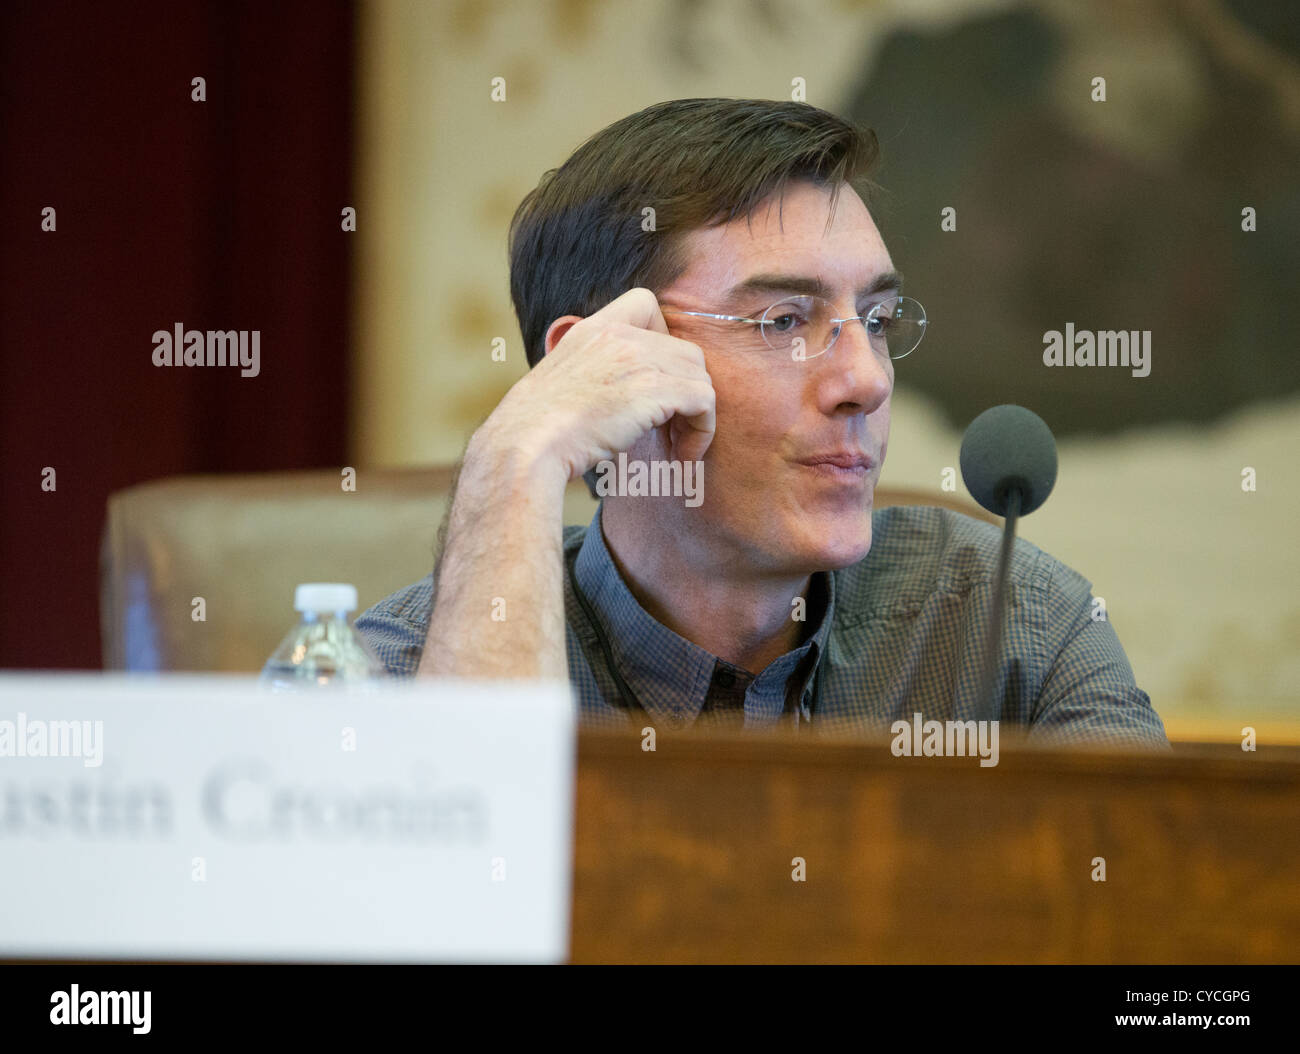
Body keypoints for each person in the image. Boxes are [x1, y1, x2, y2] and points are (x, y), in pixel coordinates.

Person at [356, 97, 1168, 748]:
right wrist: (513, 457)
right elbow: (456, 903)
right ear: (597, 368)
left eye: (878, 320)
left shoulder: (1006, 620)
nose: (865, 381)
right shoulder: (389, 672)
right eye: (784, 321)